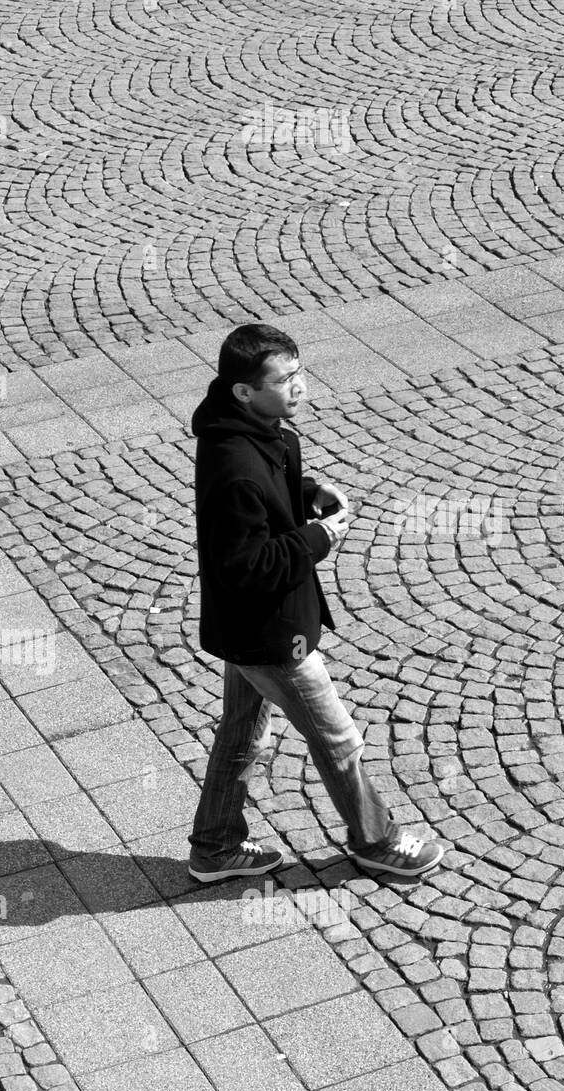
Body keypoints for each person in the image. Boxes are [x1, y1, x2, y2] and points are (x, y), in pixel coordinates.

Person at [188, 323, 444, 881]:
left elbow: (267, 498)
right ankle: (376, 839)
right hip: (269, 631)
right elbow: (245, 566)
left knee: (240, 733)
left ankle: (214, 846)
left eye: (299, 371)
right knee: (338, 738)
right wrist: (317, 538)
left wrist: (306, 494)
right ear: (244, 391)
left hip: (247, 628)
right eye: (285, 379)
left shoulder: (255, 431)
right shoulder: (236, 464)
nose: (299, 387)